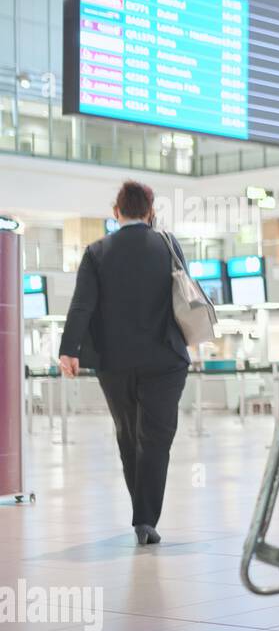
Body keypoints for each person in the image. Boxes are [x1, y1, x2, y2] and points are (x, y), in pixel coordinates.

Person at [58, 182, 192, 545]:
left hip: (114, 362)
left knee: (128, 433)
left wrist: (68, 349)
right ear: (150, 211)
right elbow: (185, 291)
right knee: (157, 437)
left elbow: (81, 304)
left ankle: (141, 516)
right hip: (166, 359)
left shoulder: (97, 251)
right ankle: (146, 518)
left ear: (115, 212)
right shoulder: (167, 244)